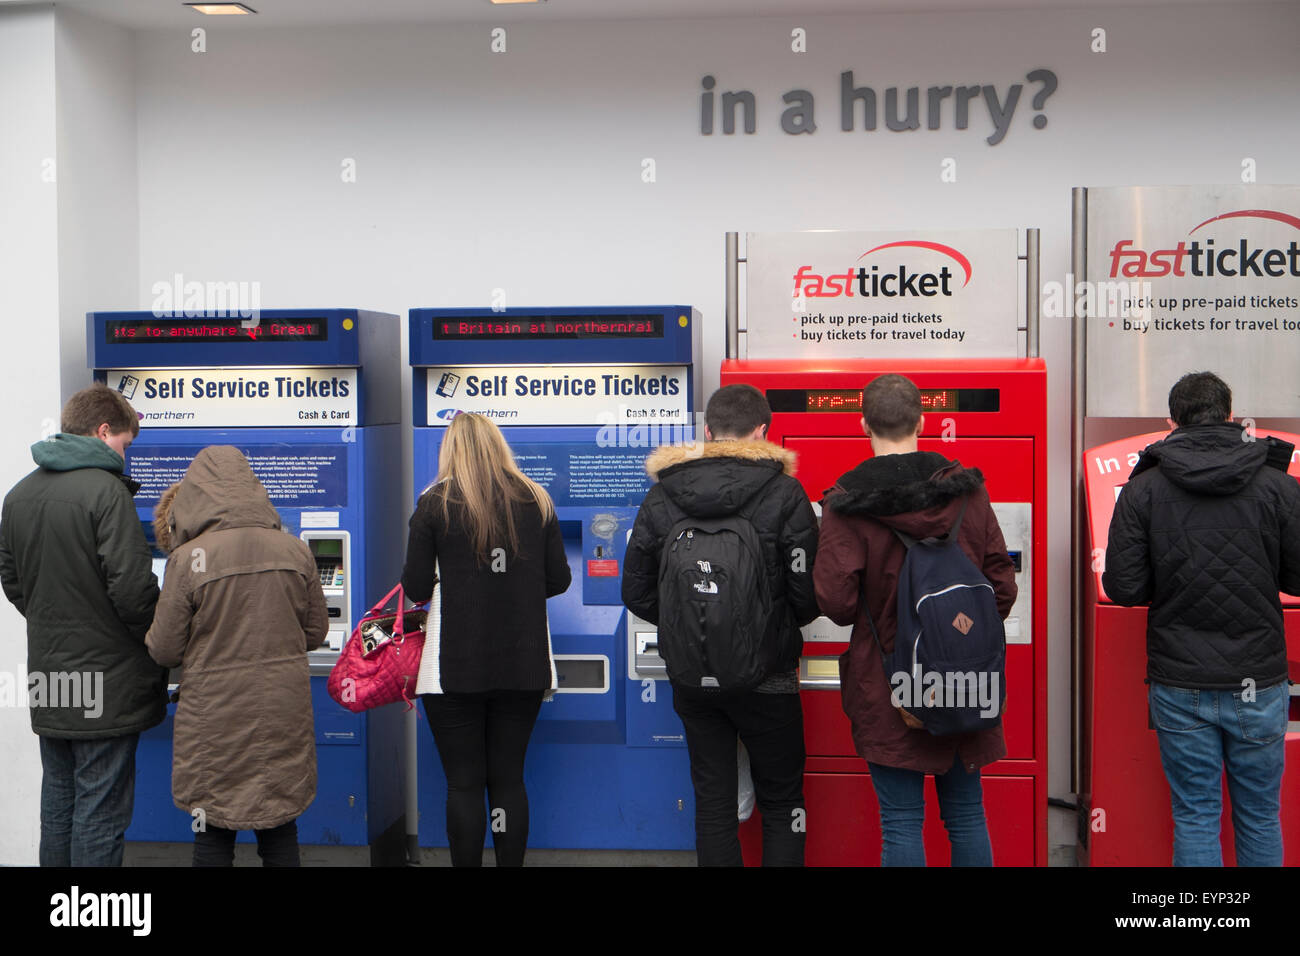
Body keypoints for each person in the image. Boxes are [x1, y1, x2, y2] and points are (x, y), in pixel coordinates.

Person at [814, 373, 1016, 867]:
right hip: (965, 678)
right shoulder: (967, 493)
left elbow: (837, 605)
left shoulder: (845, 506)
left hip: (888, 685)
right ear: (922, 423)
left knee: (902, 822)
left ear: (864, 425)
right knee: (967, 815)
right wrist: (955, 638)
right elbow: (1002, 588)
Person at [1104, 371, 1300, 867]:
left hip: (1180, 680)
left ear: (1171, 422)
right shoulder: (1279, 485)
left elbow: (1123, 589)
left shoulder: (1142, 490)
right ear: (1231, 416)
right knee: (1259, 814)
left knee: (1194, 814)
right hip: (1259, 679)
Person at [622, 384, 820, 866]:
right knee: (782, 800)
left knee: (713, 801)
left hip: (694, 678)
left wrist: (687, 630)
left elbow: (636, 591)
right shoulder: (785, 492)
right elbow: (807, 595)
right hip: (769, 676)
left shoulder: (664, 492)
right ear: (763, 432)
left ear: (707, 432)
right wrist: (767, 626)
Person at [0, 383, 164, 867]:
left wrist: (59, 623)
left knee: (59, 802)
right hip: (108, 679)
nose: (125, 456)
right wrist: (161, 641)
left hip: (51, 676)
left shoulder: (20, 493)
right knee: (100, 809)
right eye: (125, 445)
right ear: (103, 430)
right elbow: (133, 590)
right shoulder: (106, 492)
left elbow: (12, 581)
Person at [401, 412, 571, 867]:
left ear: (449, 449)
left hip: (453, 667)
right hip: (524, 663)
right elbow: (558, 580)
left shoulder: (434, 502)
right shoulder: (536, 498)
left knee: (464, 783)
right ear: (500, 446)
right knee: (509, 779)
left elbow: (415, 587)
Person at [145, 447, 328, 867]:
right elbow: (316, 632)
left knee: (212, 833)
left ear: (194, 497)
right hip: (282, 711)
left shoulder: (188, 559)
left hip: (215, 718)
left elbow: (165, 648)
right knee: (280, 827)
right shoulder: (294, 551)